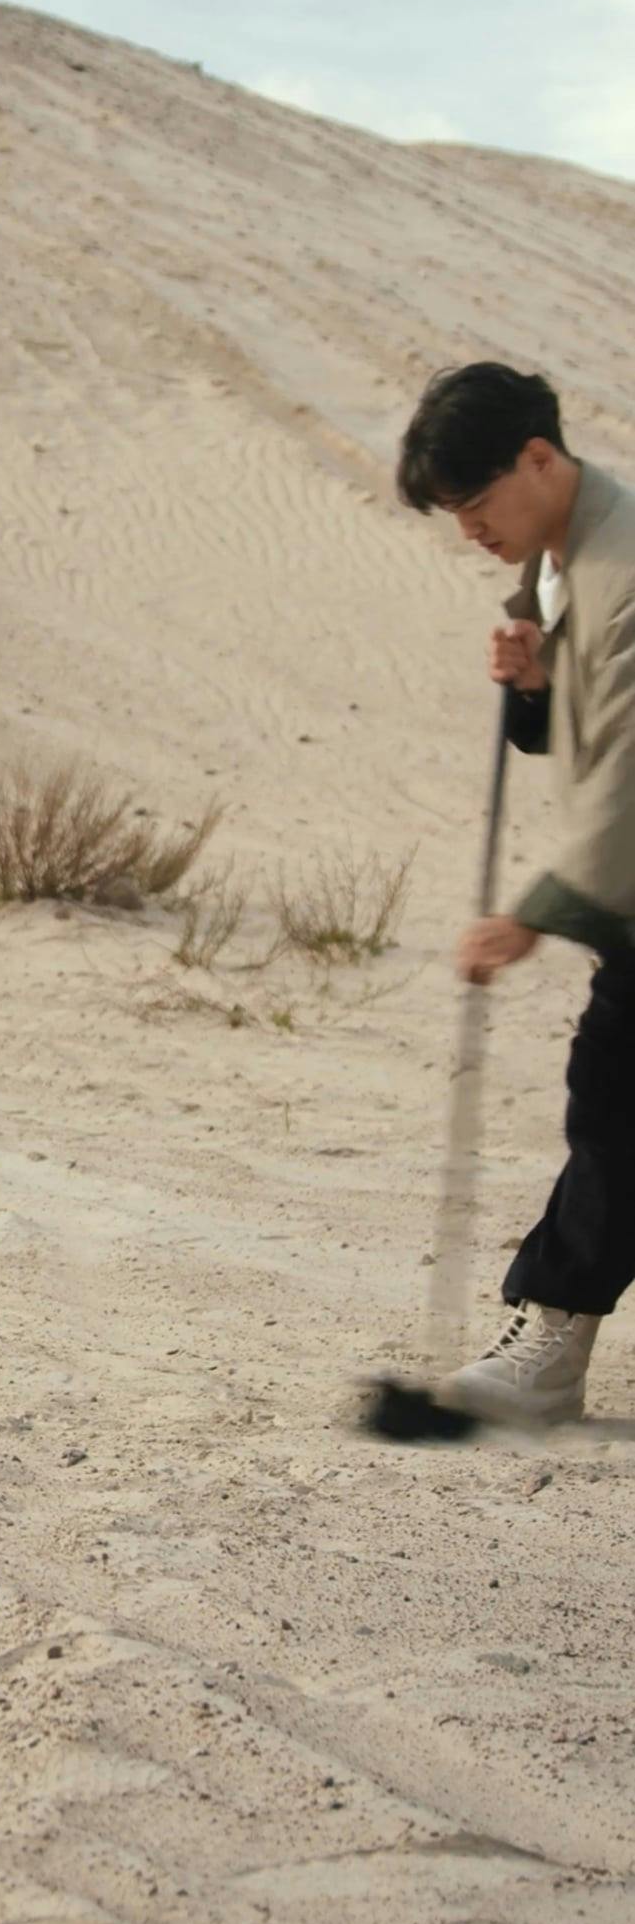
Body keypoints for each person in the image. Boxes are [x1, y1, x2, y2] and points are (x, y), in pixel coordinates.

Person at [397, 361, 635, 1418]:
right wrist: (536, 686)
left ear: (538, 458)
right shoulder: (558, 563)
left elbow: (629, 776)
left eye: (478, 504)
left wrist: (533, 915)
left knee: (617, 1103)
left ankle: (552, 1344)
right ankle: (556, 1340)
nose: (471, 532)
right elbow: (587, 732)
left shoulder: (627, 567)